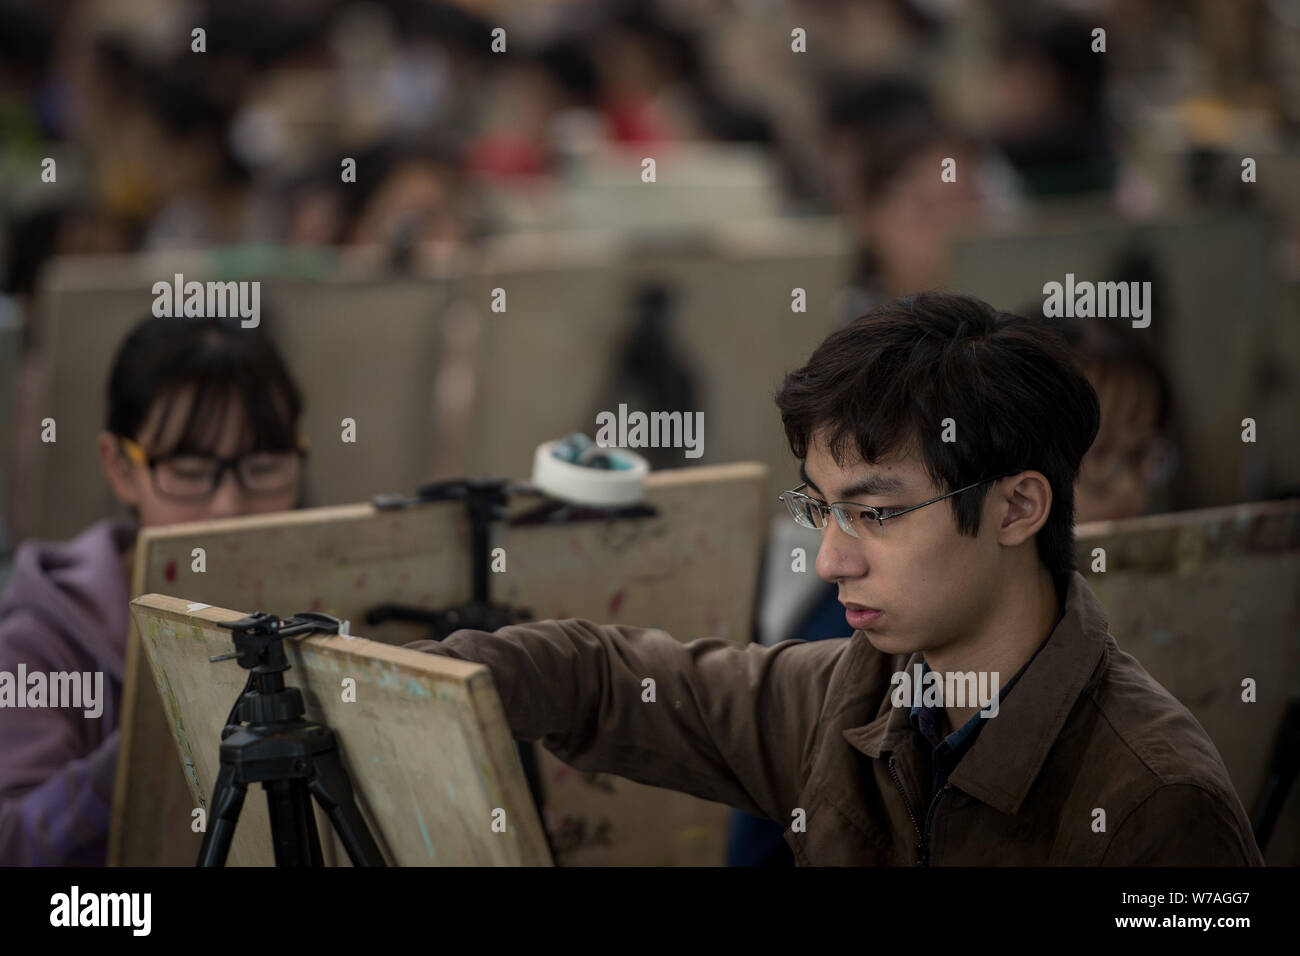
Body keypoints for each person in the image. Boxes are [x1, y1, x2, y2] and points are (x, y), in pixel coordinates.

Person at [406, 292, 1261, 865]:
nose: (832, 558)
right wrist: (404, 685)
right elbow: (607, 678)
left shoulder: (1157, 801)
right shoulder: (858, 700)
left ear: (1017, 508)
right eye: (821, 510)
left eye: (878, 513)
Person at [0, 316, 306, 865]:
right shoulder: (40, 639)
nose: (228, 507)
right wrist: (156, 733)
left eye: (263, 467)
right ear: (120, 466)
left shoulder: (319, 600)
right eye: (189, 471)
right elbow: (14, 843)